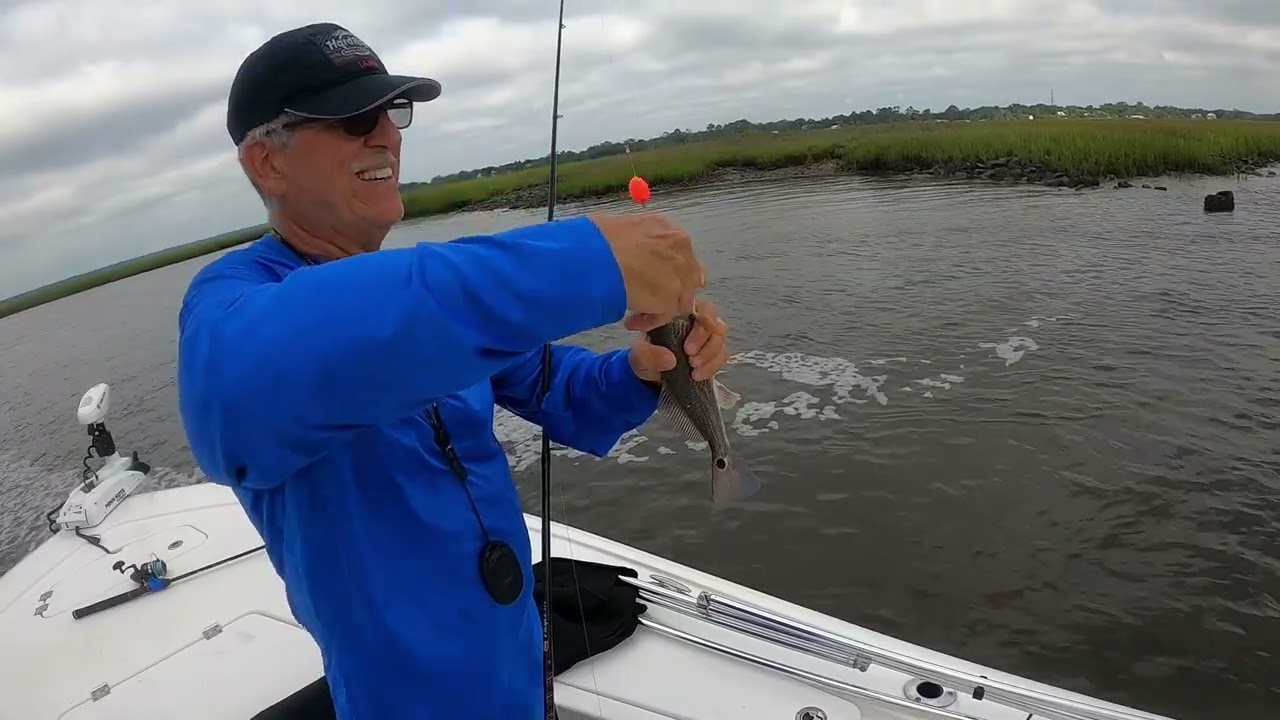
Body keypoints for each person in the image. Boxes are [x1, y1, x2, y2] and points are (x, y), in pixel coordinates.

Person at [176, 21, 732, 720]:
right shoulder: (233, 305)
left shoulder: (414, 299)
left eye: (393, 113)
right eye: (354, 119)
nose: (387, 135)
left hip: (517, 653)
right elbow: (247, 386)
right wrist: (590, 262)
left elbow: (551, 384)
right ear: (267, 162)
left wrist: (643, 371)